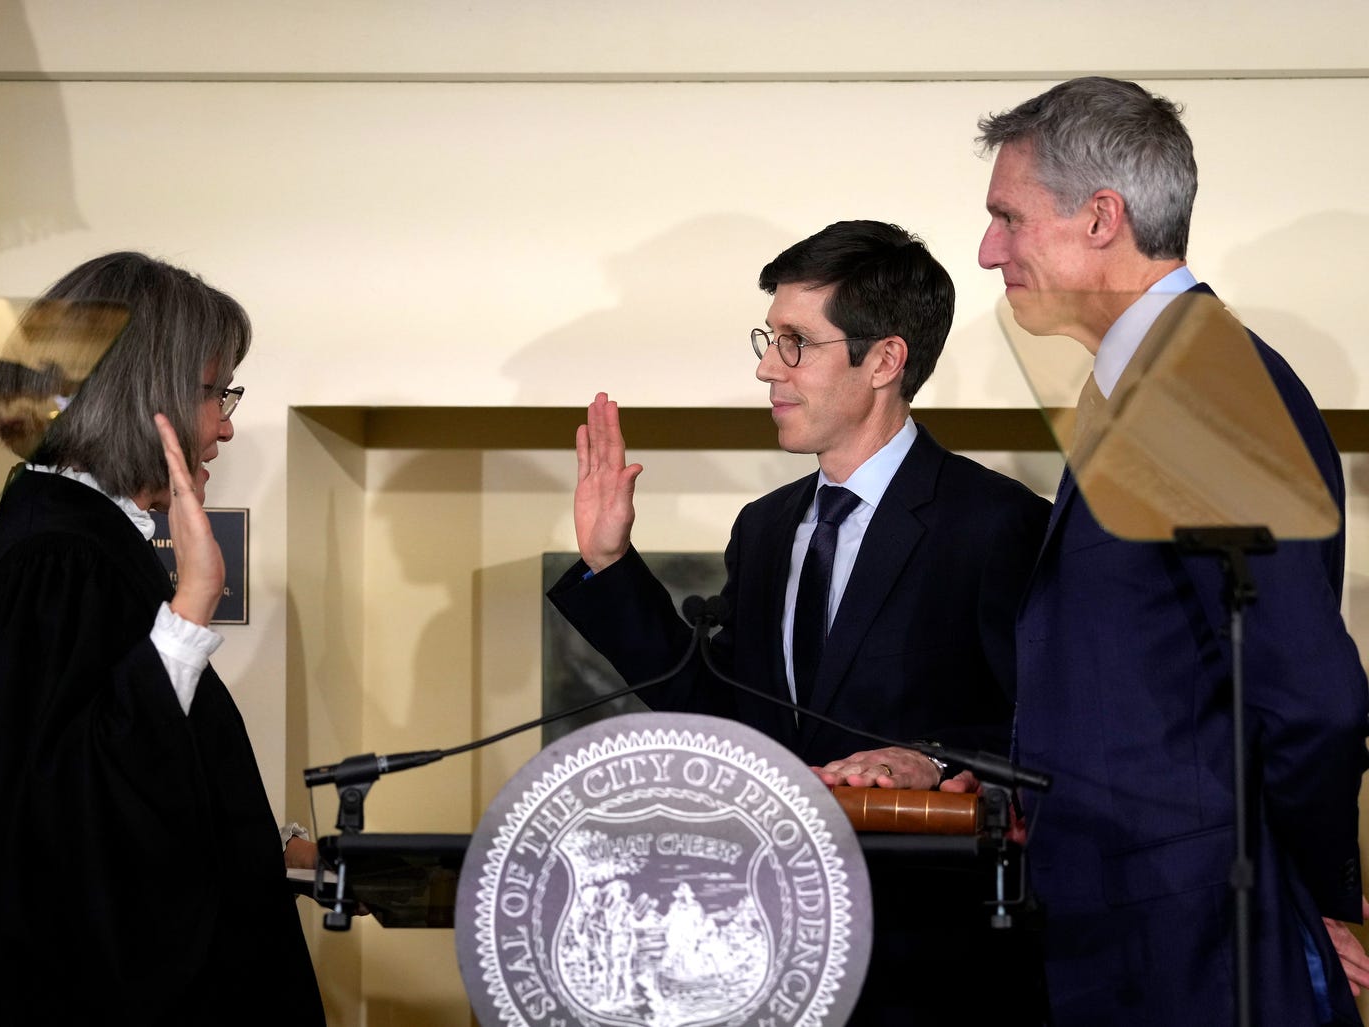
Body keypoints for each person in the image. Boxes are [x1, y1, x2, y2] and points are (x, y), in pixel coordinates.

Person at [547, 220, 1051, 1024]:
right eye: (769, 340)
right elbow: (723, 719)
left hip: (938, 966)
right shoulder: (766, 526)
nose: (764, 367)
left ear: (883, 360)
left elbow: (1053, 732)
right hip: (778, 955)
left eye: (794, 344)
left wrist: (931, 761)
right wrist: (611, 564)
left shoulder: (997, 523)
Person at [968, 76, 1369, 1025]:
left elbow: (1314, 695)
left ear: (1101, 217)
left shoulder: (1203, 388)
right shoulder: (1157, 380)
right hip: (1147, 931)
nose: (989, 250)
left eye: (1007, 218)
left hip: (1203, 944)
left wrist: (1314, 899)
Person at [0, 252, 325, 1025]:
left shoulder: (77, 537)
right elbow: (70, 825)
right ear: (151, 395)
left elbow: (123, 776)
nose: (227, 422)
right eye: (216, 391)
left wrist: (267, 846)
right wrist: (192, 606)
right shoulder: (62, 557)